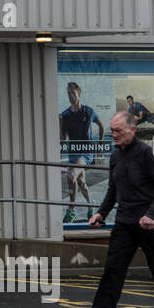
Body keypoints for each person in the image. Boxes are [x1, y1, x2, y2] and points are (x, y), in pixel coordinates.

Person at [79, 111, 154, 308]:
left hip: (149, 223)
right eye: (112, 131)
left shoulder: (146, 153)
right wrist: (101, 213)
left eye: (118, 131)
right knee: (113, 270)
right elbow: (112, 189)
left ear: (132, 129)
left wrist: (152, 215)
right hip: (125, 222)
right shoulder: (116, 155)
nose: (114, 135)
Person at [59, 82, 103, 221]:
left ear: (79, 93)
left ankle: (71, 210)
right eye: (68, 93)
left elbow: (101, 125)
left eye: (72, 92)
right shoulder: (65, 115)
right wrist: (59, 123)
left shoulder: (88, 111)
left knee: (71, 175)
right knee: (81, 182)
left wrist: (99, 145)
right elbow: (63, 139)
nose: (70, 96)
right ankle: (91, 206)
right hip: (72, 153)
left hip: (85, 153)